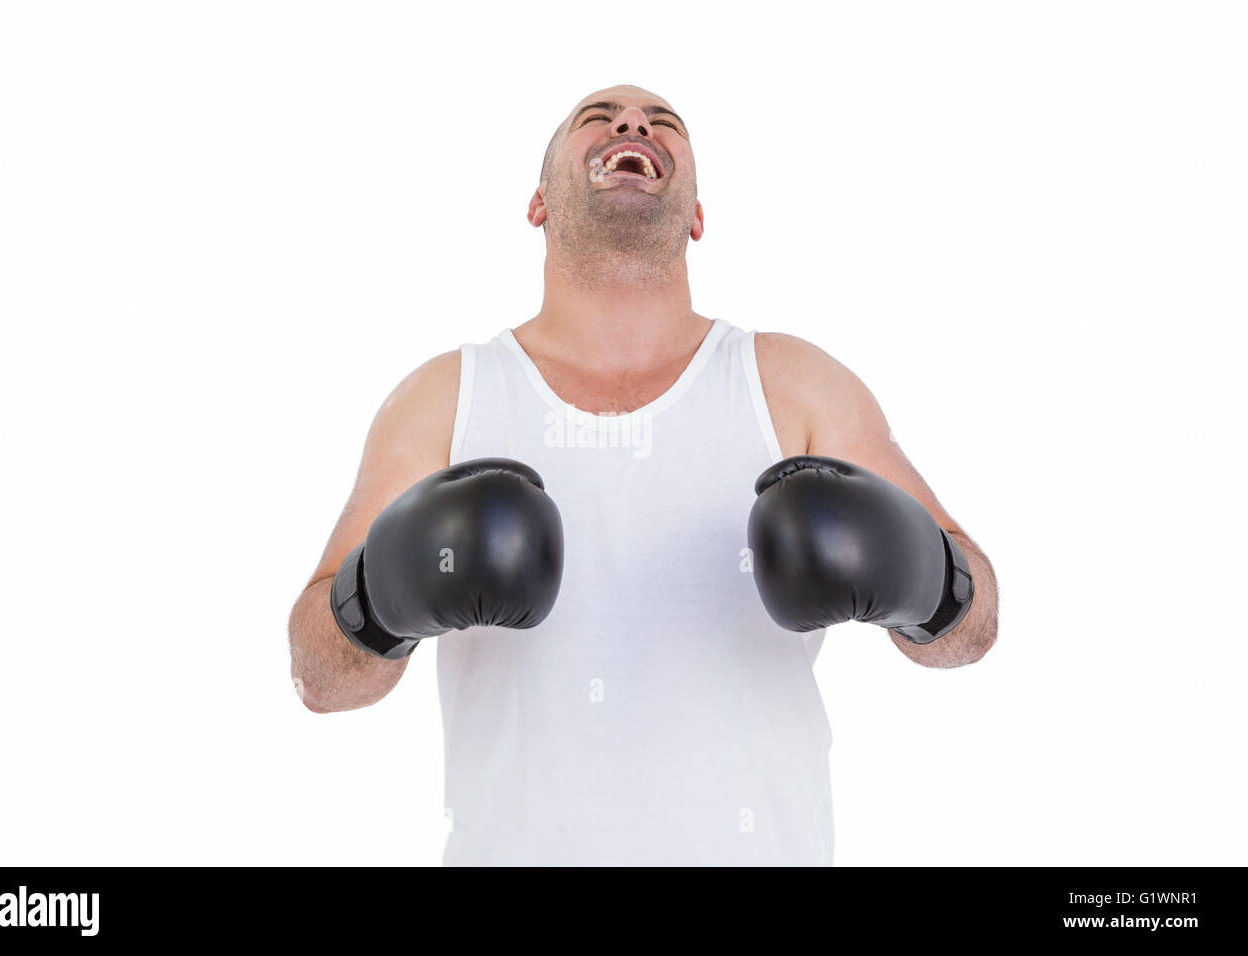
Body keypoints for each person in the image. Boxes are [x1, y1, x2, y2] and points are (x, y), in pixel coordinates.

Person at [287, 84, 998, 866]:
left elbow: (974, 631)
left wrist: (916, 571)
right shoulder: (447, 398)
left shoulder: (793, 386)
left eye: (665, 124)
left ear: (696, 215)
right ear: (538, 204)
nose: (633, 124)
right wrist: (385, 594)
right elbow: (321, 681)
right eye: (599, 117)